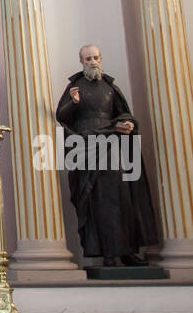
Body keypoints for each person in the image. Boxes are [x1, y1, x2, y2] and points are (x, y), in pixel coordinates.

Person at [55, 45, 158, 267]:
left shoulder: (110, 87)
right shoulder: (75, 88)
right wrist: (73, 104)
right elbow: (61, 117)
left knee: (123, 198)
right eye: (88, 58)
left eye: (95, 57)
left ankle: (128, 252)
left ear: (101, 59)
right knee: (97, 200)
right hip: (88, 145)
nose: (92, 62)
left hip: (112, 146)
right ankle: (107, 253)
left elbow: (124, 113)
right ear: (81, 61)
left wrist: (128, 123)